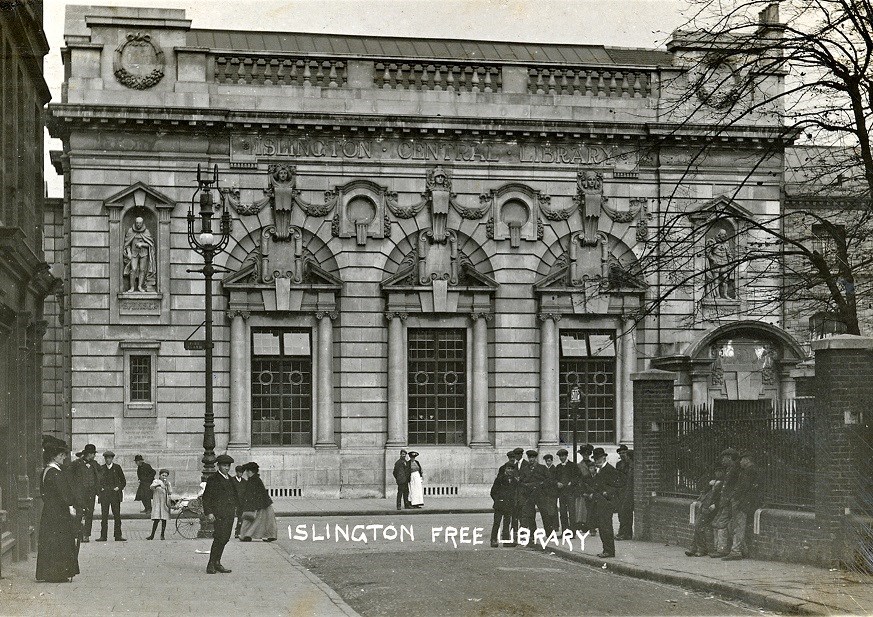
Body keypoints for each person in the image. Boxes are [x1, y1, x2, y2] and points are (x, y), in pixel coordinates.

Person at [36, 441, 80, 583]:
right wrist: (71, 505)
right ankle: (57, 574)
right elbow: (64, 494)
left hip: (50, 512)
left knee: (50, 543)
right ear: (54, 457)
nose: (63, 458)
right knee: (59, 543)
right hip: (58, 514)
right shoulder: (55, 473)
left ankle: (48, 573)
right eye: (61, 455)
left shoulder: (46, 471)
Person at [201, 454, 238, 574]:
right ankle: (211, 564)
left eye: (228, 466)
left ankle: (217, 562)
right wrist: (209, 512)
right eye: (224, 466)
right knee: (219, 537)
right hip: (218, 514)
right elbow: (206, 498)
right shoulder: (213, 479)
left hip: (229, 514)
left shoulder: (231, 479)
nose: (226, 468)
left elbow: (235, 496)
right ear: (218, 466)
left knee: (225, 538)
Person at [722, 453, 761, 561]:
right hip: (743, 502)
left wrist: (736, 499)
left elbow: (744, 488)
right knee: (732, 526)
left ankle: (736, 551)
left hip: (743, 503)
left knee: (738, 527)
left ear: (747, 460)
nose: (740, 462)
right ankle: (743, 550)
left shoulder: (749, 472)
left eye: (742, 460)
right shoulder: (750, 471)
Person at [588, 447, 624, 558]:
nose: (596, 461)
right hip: (600, 503)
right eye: (595, 459)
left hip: (607, 503)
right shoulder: (599, 471)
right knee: (602, 527)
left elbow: (617, 486)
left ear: (604, 457)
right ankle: (606, 549)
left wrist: (606, 493)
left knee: (606, 527)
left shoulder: (610, 470)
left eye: (598, 458)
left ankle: (609, 551)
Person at [710, 448, 740, 559]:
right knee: (721, 524)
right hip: (725, 502)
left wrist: (728, 500)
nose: (722, 460)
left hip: (728, 502)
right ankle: (720, 548)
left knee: (722, 524)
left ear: (729, 458)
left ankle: (721, 549)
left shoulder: (734, 470)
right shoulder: (730, 469)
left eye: (724, 457)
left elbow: (733, 488)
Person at [686, 471, 723, 557]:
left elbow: (722, 497)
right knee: (697, 527)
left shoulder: (722, 484)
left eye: (719, 471)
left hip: (711, 510)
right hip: (704, 507)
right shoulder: (712, 483)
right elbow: (701, 488)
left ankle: (701, 549)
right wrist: (710, 484)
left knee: (698, 526)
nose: (717, 473)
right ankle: (694, 548)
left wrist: (715, 505)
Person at [238, 462, 278, 542]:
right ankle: (269, 535)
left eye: (247, 472)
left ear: (250, 471)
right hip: (264, 504)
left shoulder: (252, 481)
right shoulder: (257, 480)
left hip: (258, 505)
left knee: (252, 520)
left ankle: (246, 535)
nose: (246, 474)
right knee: (266, 521)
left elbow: (249, 495)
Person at [69, 443, 100, 543]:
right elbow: (69, 477)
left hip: (91, 494)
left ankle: (86, 535)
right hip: (79, 494)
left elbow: (101, 474)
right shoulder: (76, 464)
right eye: (93, 454)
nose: (94, 455)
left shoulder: (94, 464)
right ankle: (78, 534)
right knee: (79, 514)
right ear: (89, 454)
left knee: (89, 514)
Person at [490, 450, 520, 547]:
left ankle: (506, 541)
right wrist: (498, 500)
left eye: (512, 469)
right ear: (505, 469)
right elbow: (493, 492)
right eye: (508, 469)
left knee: (507, 523)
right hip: (500, 504)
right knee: (497, 523)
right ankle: (493, 540)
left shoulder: (515, 481)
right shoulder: (499, 479)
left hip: (509, 504)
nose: (510, 470)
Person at [97, 450, 126, 542]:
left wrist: (118, 488)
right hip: (105, 495)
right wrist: (100, 488)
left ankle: (118, 536)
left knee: (117, 515)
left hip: (115, 495)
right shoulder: (101, 468)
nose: (107, 460)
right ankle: (103, 536)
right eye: (106, 458)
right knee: (104, 516)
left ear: (112, 458)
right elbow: (97, 481)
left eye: (109, 458)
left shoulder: (117, 468)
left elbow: (123, 481)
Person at [122, 216, 156, 292]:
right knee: (133, 269)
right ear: (135, 222)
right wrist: (129, 252)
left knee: (142, 269)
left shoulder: (146, 232)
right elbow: (127, 244)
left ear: (142, 223)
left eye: (140, 223)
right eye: (137, 223)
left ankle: (140, 286)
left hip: (143, 253)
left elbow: (150, 245)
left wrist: (142, 244)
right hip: (134, 254)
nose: (138, 225)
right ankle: (132, 287)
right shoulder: (131, 231)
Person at [554, 448, 579, 532]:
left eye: (563, 456)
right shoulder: (558, 467)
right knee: (562, 513)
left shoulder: (573, 465)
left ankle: (572, 531)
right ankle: (565, 531)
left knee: (572, 512)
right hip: (561, 493)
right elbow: (554, 478)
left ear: (566, 456)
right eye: (560, 456)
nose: (561, 458)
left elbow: (578, 477)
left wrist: (571, 482)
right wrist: (557, 483)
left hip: (570, 492)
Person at [146, 469, 173, 540]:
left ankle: (162, 535)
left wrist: (167, 486)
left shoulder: (168, 483)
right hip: (157, 502)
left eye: (166, 476)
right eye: (163, 475)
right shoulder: (156, 481)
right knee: (156, 519)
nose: (164, 477)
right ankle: (152, 535)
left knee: (164, 519)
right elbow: (151, 487)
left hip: (164, 503)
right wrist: (159, 484)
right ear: (160, 475)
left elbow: (170, 492)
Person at [615, 445, 635, 540]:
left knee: (626, 512)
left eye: (624, 453)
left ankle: (626, 533)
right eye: (621, 453)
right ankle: (622, 531)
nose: (622, 455)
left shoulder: (630, 465)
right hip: (620, 490)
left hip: (627, 491)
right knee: (621, 512)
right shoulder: (619, 464)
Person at [233, 465, 247, 538]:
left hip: (241, 503)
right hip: (233, 501)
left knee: (240, 517)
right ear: (236, 472)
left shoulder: (244, 482)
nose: (240, 474)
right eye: (239, 472)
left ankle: (237, 532)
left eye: (241, 473)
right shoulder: (232, 480)